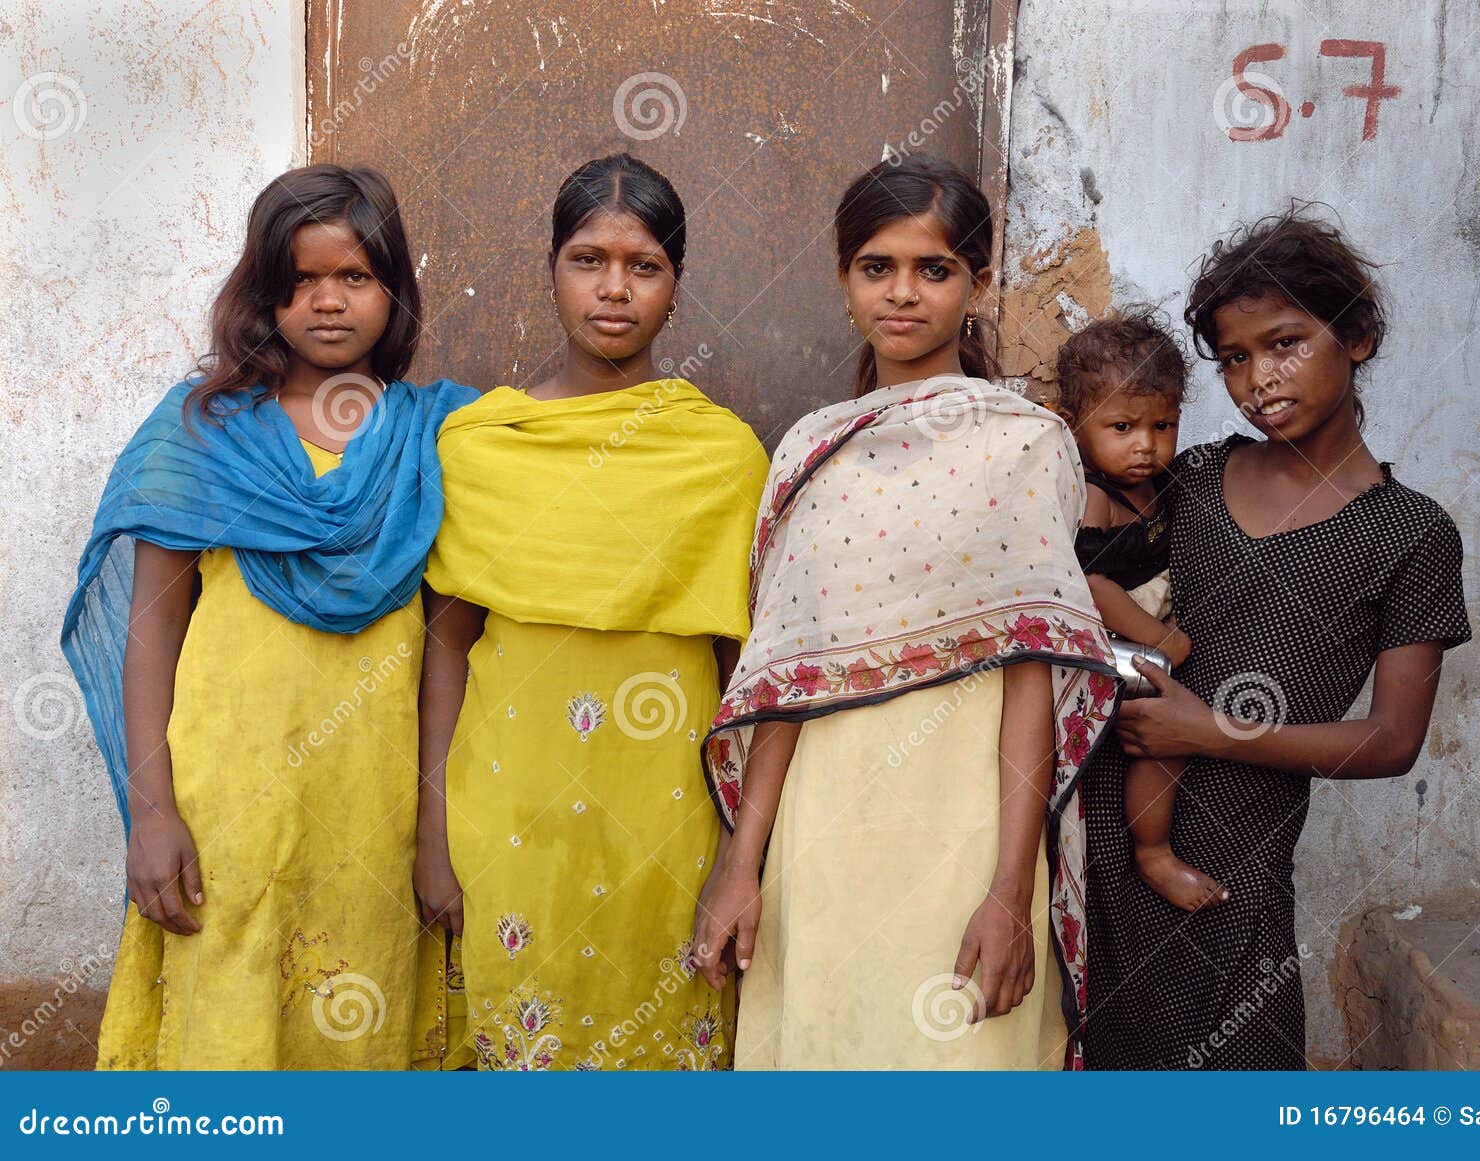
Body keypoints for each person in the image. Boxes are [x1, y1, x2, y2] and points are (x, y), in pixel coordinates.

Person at [694, 153, 1119, 1069]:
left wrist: (1011, 885)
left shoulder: (1026, 444)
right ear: (844, 279)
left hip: (967, 828)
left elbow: (1032, 678)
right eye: (876, 267)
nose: (904, 293)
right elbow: (786, 683)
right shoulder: (811, 451)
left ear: (978, 284)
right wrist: (743, 861)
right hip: (825, 829)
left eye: (935, 270)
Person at [64, 164, 478, 1069]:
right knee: (226, 1036)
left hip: (374, 810)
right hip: (228, 814)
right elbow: (151, 640)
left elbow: (452, 655)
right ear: (263, 293)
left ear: (394, 291)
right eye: (299, 279)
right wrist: (152, 811)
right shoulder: (204, 431)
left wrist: (437, 836)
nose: (327, 302)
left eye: (355, 277)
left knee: (357, 1033)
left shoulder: (437, 440)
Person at [1083, 205, 1471, 1069]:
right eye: (1234, 359)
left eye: (1286, 343)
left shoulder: (1410, 534)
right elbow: (1075, 564)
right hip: (1095, 838)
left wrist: (1209, 729)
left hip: (1231, 876)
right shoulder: (1190, 476)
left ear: (1357, 334)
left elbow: (1392, 740)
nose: (1259, 376)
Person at [417, 153, 766, 1071]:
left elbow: (747, 677)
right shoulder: (483, 446)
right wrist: (432, 834)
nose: (615, 288)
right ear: (552, 270)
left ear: (675, 285)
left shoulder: (722, 458)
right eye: (588, 259)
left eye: (644, 265)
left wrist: (742, 853)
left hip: (666, 826)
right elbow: (447, 645)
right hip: (505, 814)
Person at [1058, 309, 1227, 912]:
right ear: (1076, 428)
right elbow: (1095, 584)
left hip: (1150, 630)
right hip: (1114, 642)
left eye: (1163, 425)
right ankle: (1153, 852)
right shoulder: (1095, 494)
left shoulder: (1164, 485)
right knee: (1168, 729)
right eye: (1123, 426)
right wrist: (1163, 642)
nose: (1145, 445)